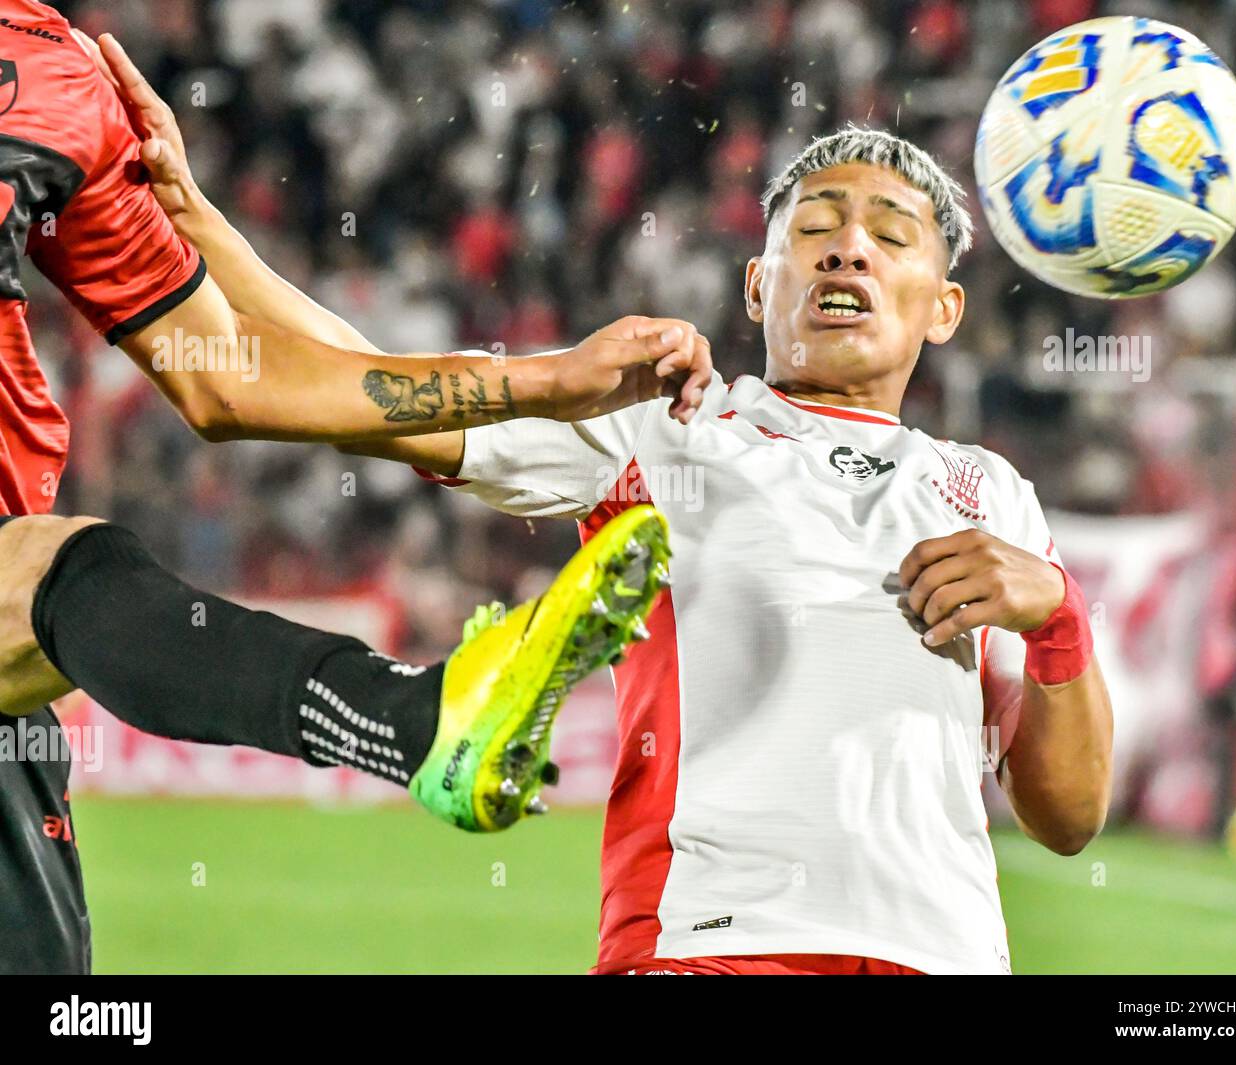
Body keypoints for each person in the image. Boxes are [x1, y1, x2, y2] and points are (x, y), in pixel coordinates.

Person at [104, 41, 1113, 975]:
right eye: (813, 230)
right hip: (711, 946)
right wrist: (194, 221)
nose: (847, 249)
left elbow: (1067, 818)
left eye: (890, 236)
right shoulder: (659, 425)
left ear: (943, 308)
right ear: (758, 287)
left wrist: (1060, 622)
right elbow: (362, 382)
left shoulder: (994, 495)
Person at [0, 2, 703, 974]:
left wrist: (547, 381)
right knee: (42, 574)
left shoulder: (53, 69)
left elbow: (229, 375)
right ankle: (414, 720)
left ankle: (429, 722)